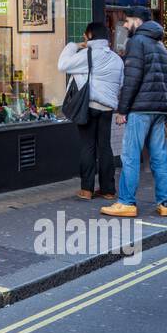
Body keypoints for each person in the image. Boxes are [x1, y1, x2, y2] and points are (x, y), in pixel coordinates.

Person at [102, 7, 167, 218]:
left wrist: (122, 110)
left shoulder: (136, 42)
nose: (125, 25)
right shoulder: (160, 45)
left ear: (138, 21)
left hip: (141, 109)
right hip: (159, 108)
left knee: (130, 156)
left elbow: (132, 79)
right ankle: (164, 203)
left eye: (128, 20)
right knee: (159, 157)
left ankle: (126, 202)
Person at [57, 22, 124, 201]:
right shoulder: (117, 59)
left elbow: (62, 65)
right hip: (108, 109)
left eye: (84, 36)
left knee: (88, 146)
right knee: (105, 147)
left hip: (90, 106)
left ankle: (86, 189)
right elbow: (121, 84)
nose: (83, 39)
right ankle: (108, 190)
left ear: (90, 36)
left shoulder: (87, 54)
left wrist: (73, 46)